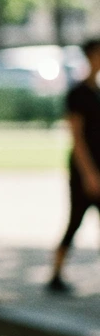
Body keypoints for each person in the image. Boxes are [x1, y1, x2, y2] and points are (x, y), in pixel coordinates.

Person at [47, 37, 100, 294]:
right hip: (84, 170)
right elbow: (77, 137)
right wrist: (89, 173)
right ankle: (55, 274)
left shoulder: (97, 92)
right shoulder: (78, 93)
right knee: (75, 221)